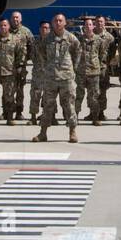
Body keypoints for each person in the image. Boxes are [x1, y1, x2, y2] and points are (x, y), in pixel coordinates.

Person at [33, 13, 81, 143]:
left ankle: (72, 132)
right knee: (48, 105)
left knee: (69, 105)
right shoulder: (47, 39)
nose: (58, 23)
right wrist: (48, 67)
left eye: (60, 20)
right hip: (51, 78)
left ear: (65, 23)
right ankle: (43, 133)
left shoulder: (71, 38)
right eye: (55, 21)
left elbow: (77, 53)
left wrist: (72, 68)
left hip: (66, 78)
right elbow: (42, 53)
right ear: (52, 23)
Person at [9, 11, 34, 120]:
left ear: (21, 19)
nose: (15, 19)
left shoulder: (26, 32)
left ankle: (19, 112)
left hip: (20, 67)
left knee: (20, 90)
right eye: (14, 17)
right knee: (8, 91)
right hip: (7, 67)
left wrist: (26, 59)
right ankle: (7, 112)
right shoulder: (6, 30)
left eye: (17, 18)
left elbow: (32, 47)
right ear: (11, 19)